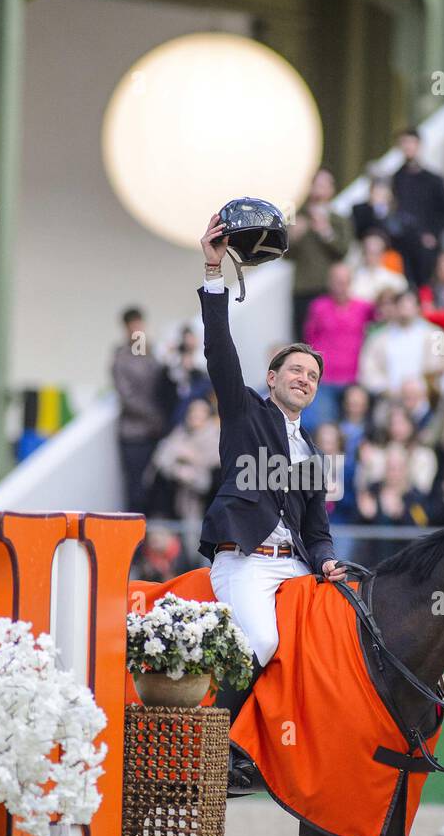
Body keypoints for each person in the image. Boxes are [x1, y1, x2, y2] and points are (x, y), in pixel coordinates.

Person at [196, 213, 348, 680]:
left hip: (298, 568)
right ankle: (228, 746)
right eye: (295, 370)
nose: (304, 379)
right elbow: (220, 352)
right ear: (272, 378)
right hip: (246, 561)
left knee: (334, 646)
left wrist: (326, 560)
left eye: (313, 376)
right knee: (262, 642)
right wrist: (213, 273)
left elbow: (318, 530)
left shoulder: (315, 456)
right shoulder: (246, 414)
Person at [111, 306, 174, 514]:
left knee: (157, 490)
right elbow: (127, 397)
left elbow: (161, 383)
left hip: (155, 432)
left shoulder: (150, 352)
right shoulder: (121, 357)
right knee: (136, 490)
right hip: (135, 435)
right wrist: (155, 417)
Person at [302, 262, 376, 429]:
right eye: (336, 281)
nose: (340, 286)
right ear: (329, 282)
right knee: (323, 427)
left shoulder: (364, 307)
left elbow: (379, 327)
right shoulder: (318, 306)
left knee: (352, 428)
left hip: (354, 379)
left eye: (344, 281)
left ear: (351, 282)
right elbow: (309, 339)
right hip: (325, 379)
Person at [286, 168, 351, 340]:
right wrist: (292, 238)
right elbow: (285, 254)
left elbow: (343, 251)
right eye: (316, 183)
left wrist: (326, 232)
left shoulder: (338, 219)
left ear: (332, 189)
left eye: (325, 184)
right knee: (301, 339)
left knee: (326, 339)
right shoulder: (296, 215)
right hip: (302, 288)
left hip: (329, 290)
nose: (320, 188)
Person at [391, 128, 444, 288]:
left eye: (411, 143)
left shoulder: (434, 180)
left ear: (419, 146)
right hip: (402, 243)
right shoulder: (395, 179)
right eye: (404, 143)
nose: (408, 147)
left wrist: (432, 233)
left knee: (427, 286)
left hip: (426, 246)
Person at [349, 230, 408, 302]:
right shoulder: (352, 277)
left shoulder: (396, 280)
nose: (371, 257)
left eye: (375, 253)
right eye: (368, 252)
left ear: (383, 254)